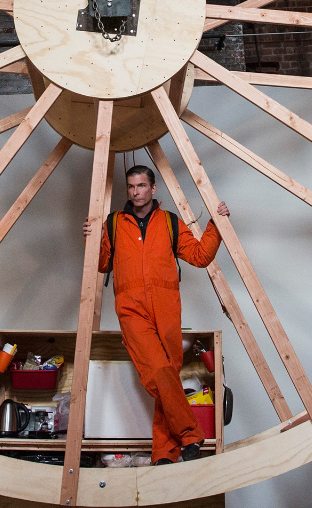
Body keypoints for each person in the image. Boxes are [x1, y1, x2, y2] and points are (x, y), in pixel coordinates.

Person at [82, 164, 227, 464]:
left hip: (167, 308)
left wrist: (217, 223)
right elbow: (101, 264)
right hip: (131, 308)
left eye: (141, 186)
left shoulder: (170, 222)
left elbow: (200, 256)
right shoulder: (113, 223)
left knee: (168, 377)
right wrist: (92, 238)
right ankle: (190, 433)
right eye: (131, 187)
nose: (136, 192)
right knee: (158, 371)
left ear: (153, 188)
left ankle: (164, 454)